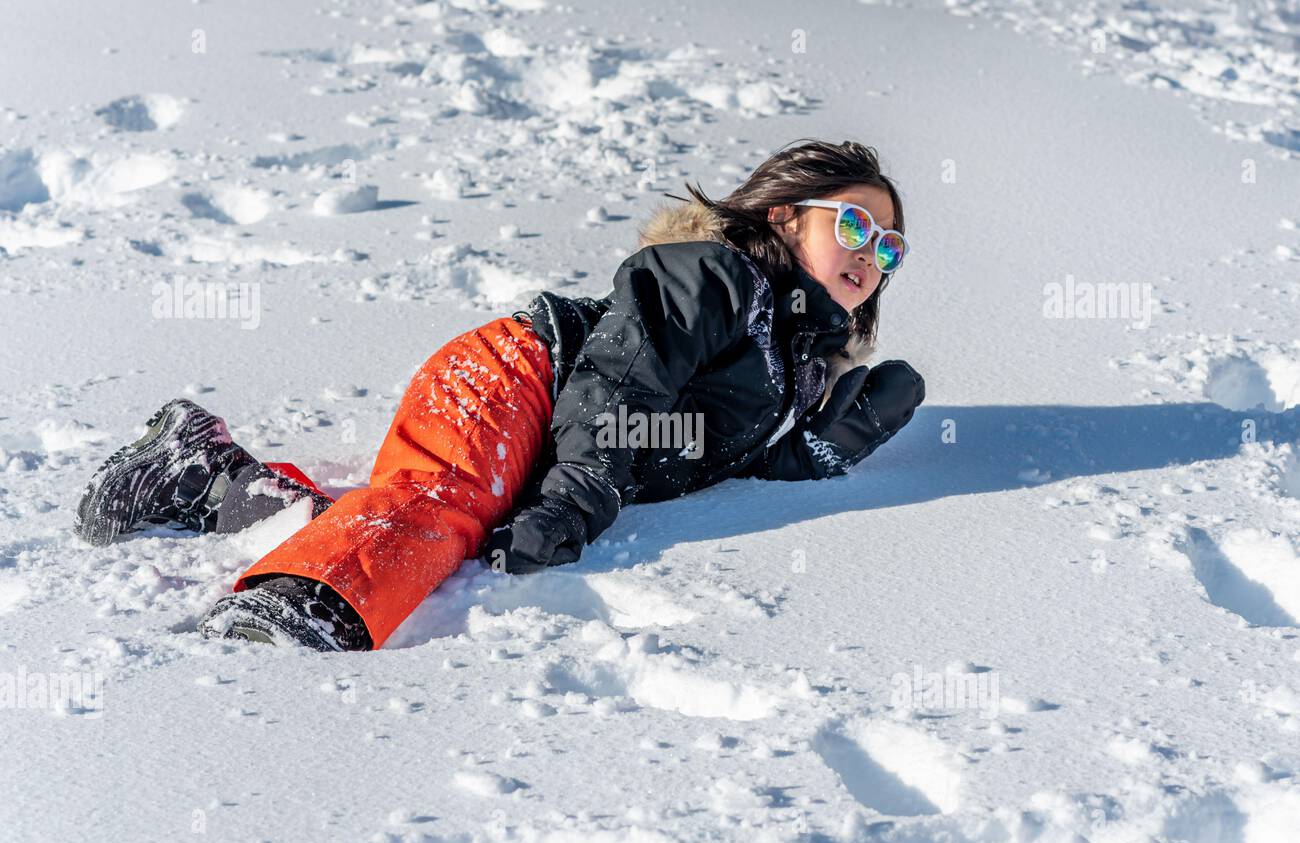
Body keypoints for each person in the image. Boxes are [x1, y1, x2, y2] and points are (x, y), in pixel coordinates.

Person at [73, 138, 926, 652]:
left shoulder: (798, 365)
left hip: (555, 442)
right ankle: (297, 614)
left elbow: (710, 448)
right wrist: (582, 493)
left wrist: (810, 449)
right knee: (438, 504)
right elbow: (621, 379)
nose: (871, 251)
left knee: (435, 523)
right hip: (517, 376)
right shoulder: (715, 274)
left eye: (888, 246)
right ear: (784, 218)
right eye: (852, 224)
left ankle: (203, 477)